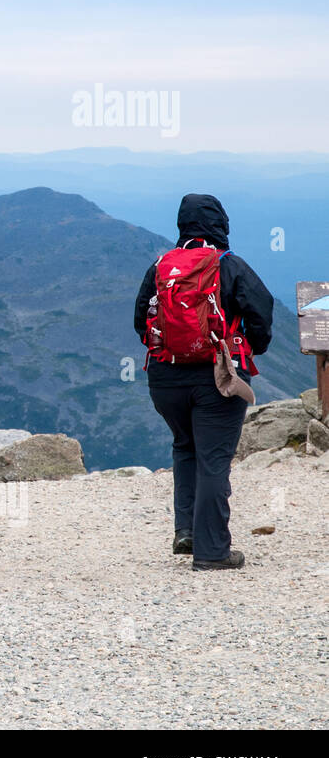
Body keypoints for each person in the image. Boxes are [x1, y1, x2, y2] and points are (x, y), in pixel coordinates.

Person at [133, 194, 274, 571]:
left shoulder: (162, 266)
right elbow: (261, 311)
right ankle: (212, 552)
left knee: (185, 447)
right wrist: (251, 348)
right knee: (213, 459)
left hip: (165, 378)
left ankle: (188, 533)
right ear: (220, 224)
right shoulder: (229, 266)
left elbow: (140, 323)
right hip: (219, 375)